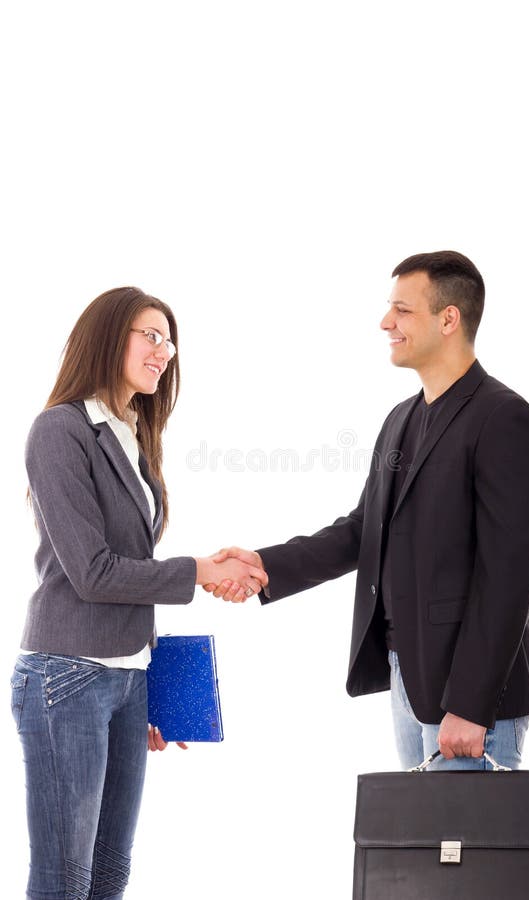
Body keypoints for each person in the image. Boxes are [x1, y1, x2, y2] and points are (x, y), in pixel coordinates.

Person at [208, 251, 529, 771]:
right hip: (408, 680)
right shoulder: (401, 419)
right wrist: (263, 564)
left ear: (449, 318)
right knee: (423, 850)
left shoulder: (505, 419)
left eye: (402, 310)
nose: (385, 322)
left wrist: (471, 703)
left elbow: (509, 576)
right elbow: (363, 530)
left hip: (470, 696)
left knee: (472, 849)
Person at [10, 286, 268, 900]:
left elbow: (133, 563)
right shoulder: (60, 430)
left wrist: (146, 677)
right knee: (63, 880)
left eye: (168, 340)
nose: (164, 351)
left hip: (126, 678)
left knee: (108, 876)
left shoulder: (132, 434)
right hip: (65, 677)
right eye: (149, 335)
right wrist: (200, 571)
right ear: (106, 338)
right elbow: (94, 572)